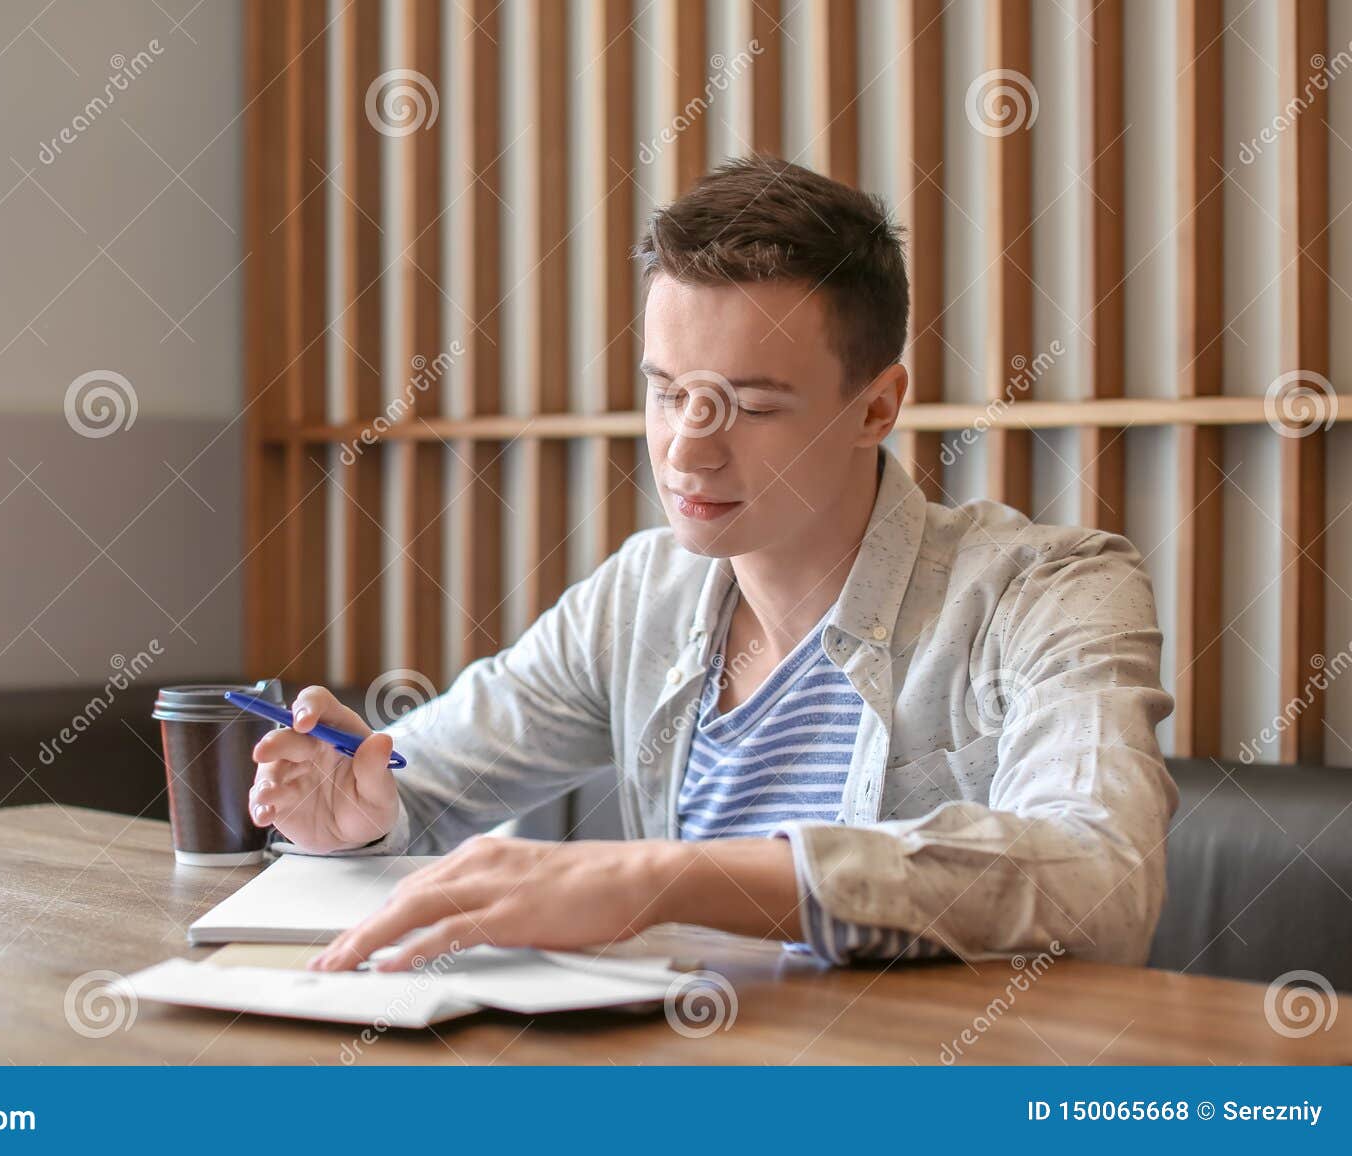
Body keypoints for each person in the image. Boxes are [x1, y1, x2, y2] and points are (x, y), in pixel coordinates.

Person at [246, 155, 1178, 975]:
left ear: (876, 408)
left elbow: (1100, 882)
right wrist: (359, 813)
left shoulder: (1050, 591)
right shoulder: (639, 596)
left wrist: (662, 881)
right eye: (667, 393)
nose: (686, 453)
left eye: (753, 405)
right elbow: (421, 780)